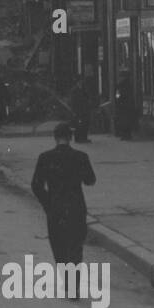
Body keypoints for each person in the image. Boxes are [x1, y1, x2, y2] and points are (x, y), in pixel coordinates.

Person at [31, 122, 98, 291]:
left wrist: (47, 203)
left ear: (55, 138)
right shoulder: (81, 157)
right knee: (75, 245)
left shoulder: (45, 157)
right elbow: (90, 180)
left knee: (59, 244)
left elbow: (36, 185)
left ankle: (67, 282)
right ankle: (74, 283)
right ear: (71, 137)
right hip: (76, 206)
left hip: (55, 206)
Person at [68, 74, 94, 143]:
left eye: (81, 81)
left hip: (85, 110)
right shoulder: (74, 90)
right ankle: (78, 138)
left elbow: (87, 97)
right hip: (78, 110)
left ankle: (84, 137)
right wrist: (74, 110)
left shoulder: (84, 89)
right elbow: (73, 101)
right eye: (79, 81)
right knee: (78, 125)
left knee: (85, 124)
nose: (80, 82)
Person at [114, 72, 136, 140]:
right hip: (128, 106)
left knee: (123, 121)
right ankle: (127, 135)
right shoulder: (129, 85)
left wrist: (117, 101)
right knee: (127, 121)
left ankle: (124, 135)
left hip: (122, 105)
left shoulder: (119, 85)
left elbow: (117, 95)